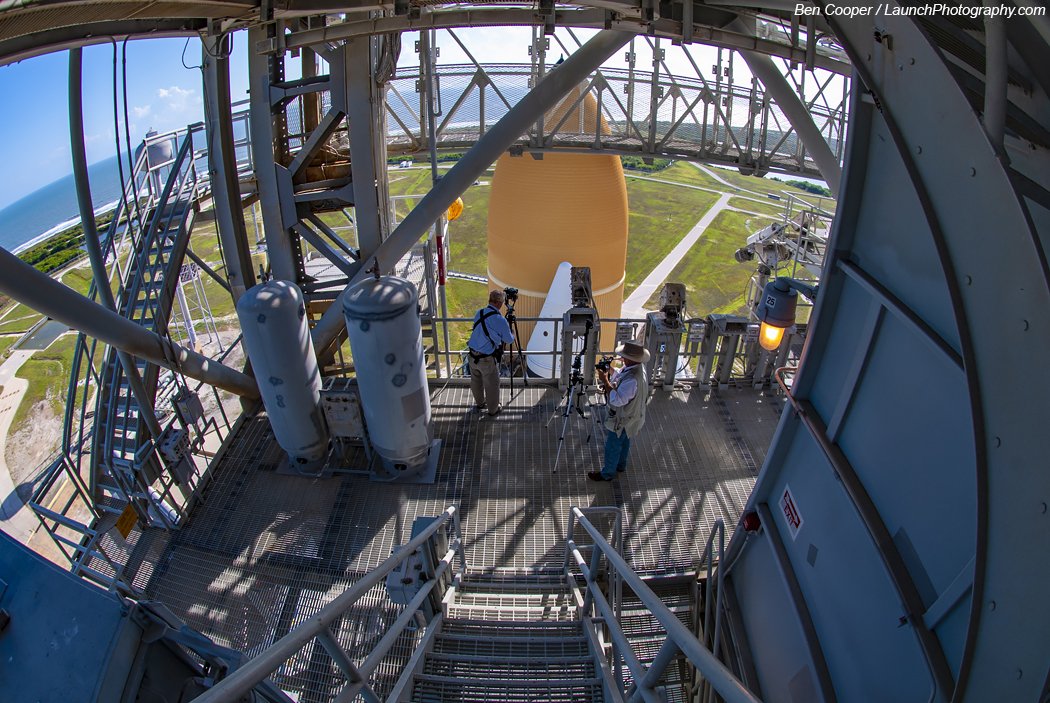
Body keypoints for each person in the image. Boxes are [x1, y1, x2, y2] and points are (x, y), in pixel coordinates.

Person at [588, 340, 650, 481]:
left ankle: (607, 474)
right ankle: (621, 466)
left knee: (613, 446)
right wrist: (610, 371)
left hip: (623, 418)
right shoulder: (639, 369)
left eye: (624, 356)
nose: (621, 358)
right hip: (634, 417)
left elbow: (616, 399)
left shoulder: (632, 380)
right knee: (625, 440)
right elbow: (622, 377)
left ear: (630, 359)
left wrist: (605, 381)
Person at [468, 289, 515, 416]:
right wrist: (512, 332)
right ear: (500, 303)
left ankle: (480, 403)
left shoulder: (479, 312)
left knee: (476, 381)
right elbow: (509, 340)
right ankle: (493, 409)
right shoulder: (499, 319)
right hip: (487, 359)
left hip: (472, 355)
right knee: (492, 384)